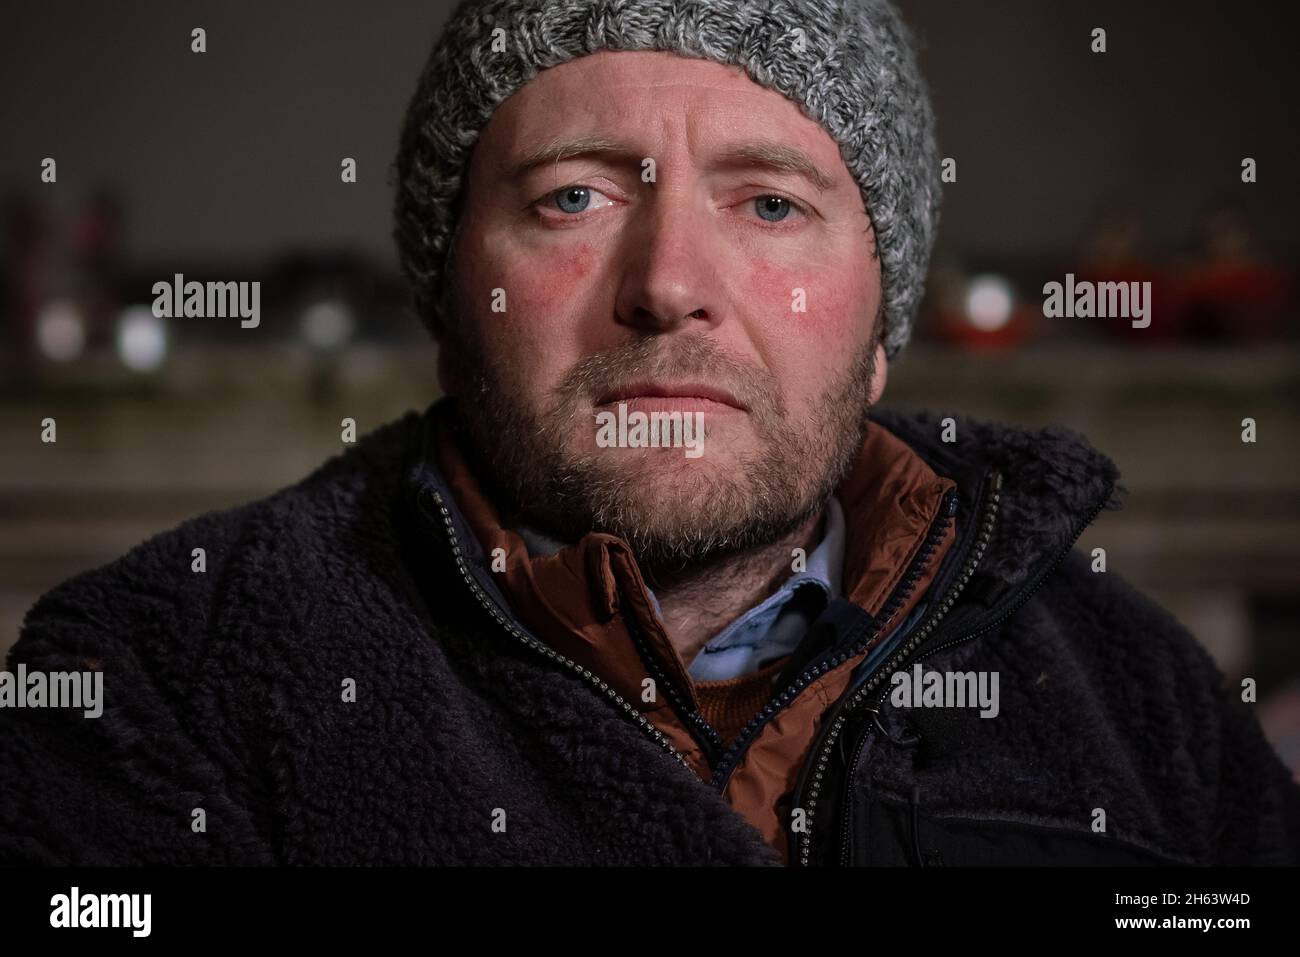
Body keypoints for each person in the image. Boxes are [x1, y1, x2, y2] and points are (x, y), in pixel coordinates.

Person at [3, 0, 1297, 866]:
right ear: (451, 299)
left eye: (771, 205)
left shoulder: (1141, 696)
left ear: (880, 324)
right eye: (573, 196)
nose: (670, 283)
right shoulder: (157, 682)